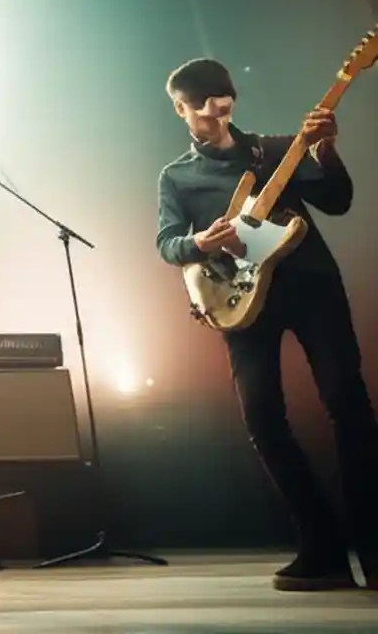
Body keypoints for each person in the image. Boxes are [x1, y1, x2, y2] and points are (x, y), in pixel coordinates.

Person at [156, 58, 378, 591]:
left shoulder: (277, 149)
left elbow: (339, 201)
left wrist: (325, 149)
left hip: (310, 284)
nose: (215, 109)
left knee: (347, 403)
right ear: (181, 109)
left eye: (222, 98)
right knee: (262, 418)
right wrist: (199, 243)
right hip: (240, 299)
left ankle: (374, 547)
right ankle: (321, 544)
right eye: (202, 103)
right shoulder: (178, 176)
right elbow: (167, 243)